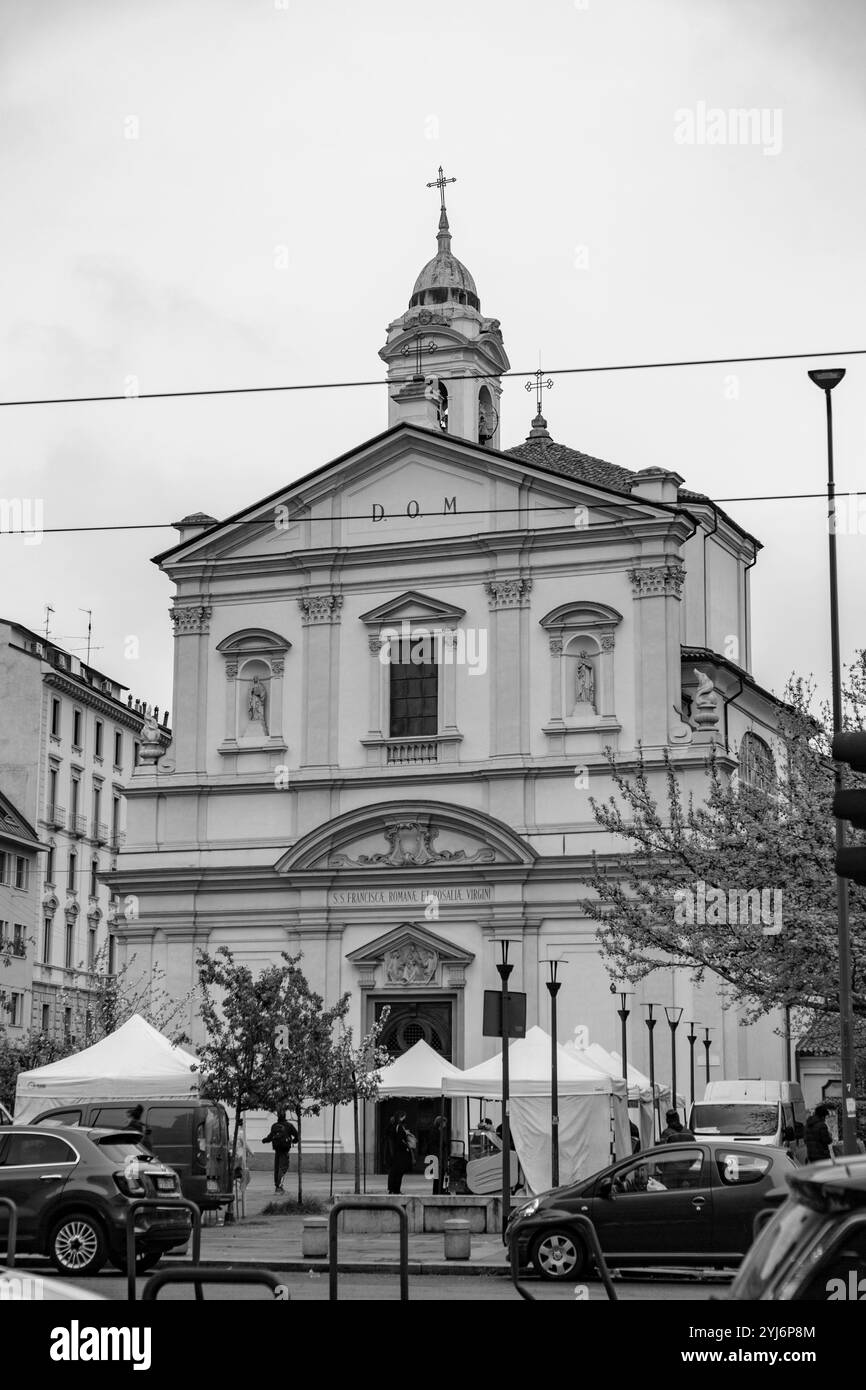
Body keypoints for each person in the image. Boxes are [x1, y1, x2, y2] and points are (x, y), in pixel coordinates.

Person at [262, 1110, 298, 1194]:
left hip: (277, 1149)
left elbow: (270, 1137)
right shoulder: (289, 1125)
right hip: (285, 1150)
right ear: (285, 1116)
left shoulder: (274, 1126)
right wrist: (294, 1141)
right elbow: (297, 1136)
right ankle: (279, 1187)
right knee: (283, 1167)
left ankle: (277, 1186)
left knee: (277, 1168)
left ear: (278, 1116)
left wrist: (264, 1140)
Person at [384, 1111, 415, 1195]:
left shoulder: (392, 1127)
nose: (405, 1119)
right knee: (398, 1172)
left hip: (392, 1153)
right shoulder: (399, 1127)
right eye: (404, 1117)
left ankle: (392, 1189)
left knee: (393, 1172)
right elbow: (400, 1140)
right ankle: (396, 1189)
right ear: (401, 1117)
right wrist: (407, 1146)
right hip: (399, 1154)